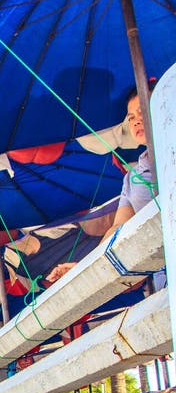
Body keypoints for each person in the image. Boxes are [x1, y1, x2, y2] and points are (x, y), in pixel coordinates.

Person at [46, 84, 158, 282]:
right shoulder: (132, 177)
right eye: (130, 117)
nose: (135, 121)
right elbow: (118, 230)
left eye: (141, 111)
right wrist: (86, 266)